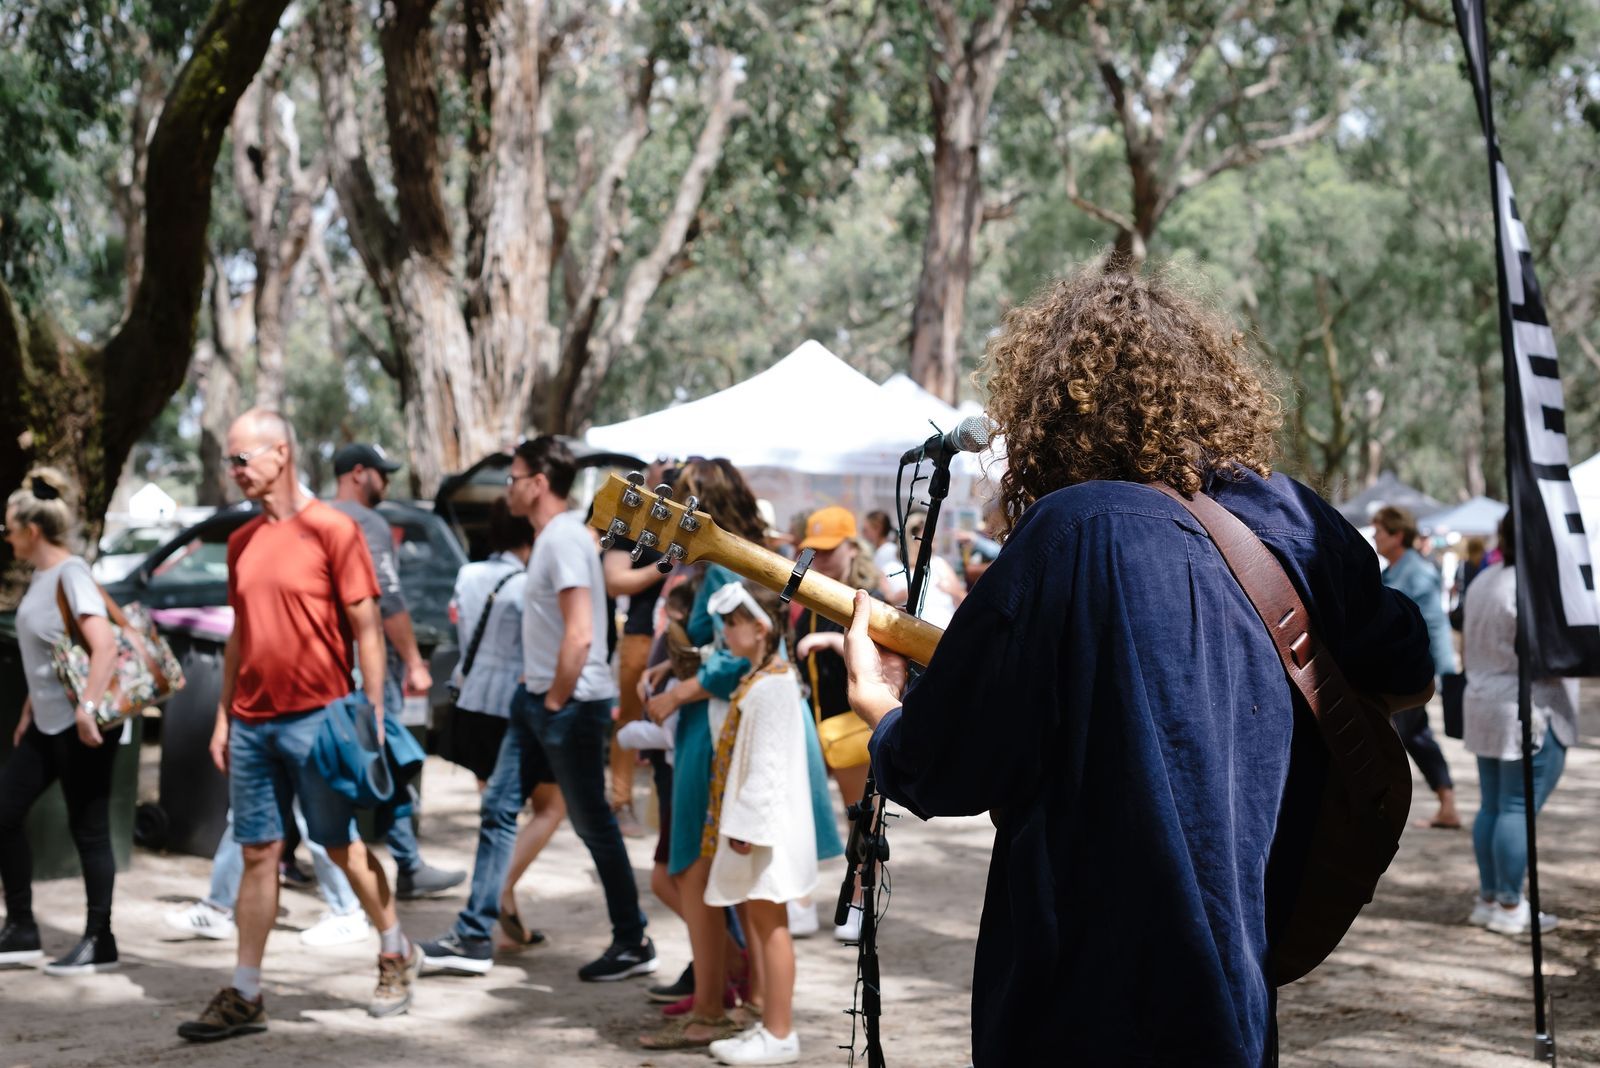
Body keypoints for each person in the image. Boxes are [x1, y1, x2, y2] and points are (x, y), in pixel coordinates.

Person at [840, 264, 1436, 1066]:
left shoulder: (1067, 531)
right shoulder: (1291, 517)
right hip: (1234, 993)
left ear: (1049, 411)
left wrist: (881, 707)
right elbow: (1406, 662)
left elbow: (945, 770)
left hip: (1079, 1003)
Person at [178, 410, 420, 1041]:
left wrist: (370, 713)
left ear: (281, 453)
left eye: (241, 458)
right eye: (230, 460)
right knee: (260, 853)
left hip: (320, 721)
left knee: (339, 848)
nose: (233, 471)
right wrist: (225, 717)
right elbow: (239, 638)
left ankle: (395, 951)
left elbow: (367, 627)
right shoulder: (241, 542)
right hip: (254, 727)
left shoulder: (332, 531)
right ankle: (247, 993)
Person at [427, 436, 652, 982]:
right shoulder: (555, 537)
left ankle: (632, 940)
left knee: (592, 823)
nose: (507, 488)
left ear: (538, 484)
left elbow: (580, 634)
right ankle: (474, 934)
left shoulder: (565, 539)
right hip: (540, 700)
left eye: (513, 477)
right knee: (499, 808)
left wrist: (553, 699)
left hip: (567, 703)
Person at [421, 497, 567, 974]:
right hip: (513, 705)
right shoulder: (530, 585)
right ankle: (499, 892)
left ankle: (506, 917)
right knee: (550, 807)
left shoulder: (469, 575)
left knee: (496, 814)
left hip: (472, 702)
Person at [0, 468, 124, 975]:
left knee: (89, 830)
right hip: (47, 724)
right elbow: (49, 651)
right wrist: (33, 703)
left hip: (83, 726)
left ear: (31, 531)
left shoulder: (71, 574)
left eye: (7, 527)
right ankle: (23, 929)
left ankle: (101, 939)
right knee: (4, 814)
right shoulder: (40, 576)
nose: (5, 537)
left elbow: (105, 645)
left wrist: (88, 708)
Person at [330, 443, 466, 898]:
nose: (386, 483)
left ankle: (294, 859)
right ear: (357, 473)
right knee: (386, 759)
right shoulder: (366, 523)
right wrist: (413, 661)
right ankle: (402, 867)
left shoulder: (312, 517)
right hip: (366, 669)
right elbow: (387, 601)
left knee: (328, 765)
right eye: (381, 474)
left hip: (324, 668)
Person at [702, 581, 814, 1066]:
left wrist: (746, 829)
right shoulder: (762, 677)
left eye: (733, 623)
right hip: (761, 828)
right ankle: (771, 1026)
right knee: (761, 921)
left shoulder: (771, 685)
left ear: (760, 627)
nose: (725, 632)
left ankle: (780, 1033)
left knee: (771, 926)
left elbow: (766, 769)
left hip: (765, 830)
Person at [1463, 511, 1577, 935]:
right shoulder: (1531, 587)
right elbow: (1558, 653)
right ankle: (1510, 905)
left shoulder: (1484, 579)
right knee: (1514, 808)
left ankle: (1491, 898)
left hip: (1486, 702)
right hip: (1525, 707)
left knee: (1495, 805)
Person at [789, 505, 879, 941]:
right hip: (812, 720)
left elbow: (882, 666)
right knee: (799, 814)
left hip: (851, 722)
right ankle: (801, 902)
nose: (821, 559)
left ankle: (861, 902)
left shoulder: (868, 596)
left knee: (861, 817)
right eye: (814, 550)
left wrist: (833, 640)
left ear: (852, 546)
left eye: (829, 550)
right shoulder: (806, 596)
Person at [1373, 504, 1462, 829]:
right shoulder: (1392, 572)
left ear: (1398, 535)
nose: (1375, 537)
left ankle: (1379, 814)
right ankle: (1447, 803)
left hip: (1412, 672)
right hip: (1404, 670)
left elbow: (1426, 625)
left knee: (1392, 739)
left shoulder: (1416, 572)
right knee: (1417, 736)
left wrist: (1440, 670)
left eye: (1380, 531)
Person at [603, 461, 673, 839]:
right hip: (642, 635)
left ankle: (664, 809)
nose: (670, 472)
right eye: (663, 466)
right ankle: (620, 801)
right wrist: (664, 566)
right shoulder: (631, 522)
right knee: (630, 719)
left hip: (679, 639)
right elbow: (614, 581)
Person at [445, 498, 532, 787]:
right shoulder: (526, 584)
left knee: (486, 785)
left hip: (469, 689)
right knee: (511, 791)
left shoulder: (467, 574)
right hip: (508, 698)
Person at [880, 509, 966, 629]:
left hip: (943, 633)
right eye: (930, 540)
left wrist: (953, 592)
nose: (934, 545)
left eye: (934, 540)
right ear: (912, 539)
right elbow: (881, 606)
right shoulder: (890, 569)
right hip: (906, 634)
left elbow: (964, 601)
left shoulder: (939, 564)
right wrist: (899, 597)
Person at [862, 509, 899, 577]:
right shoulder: (880, 550)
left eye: (866, 530)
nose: (863, 534)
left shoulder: (888, 551)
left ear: (878, 529)